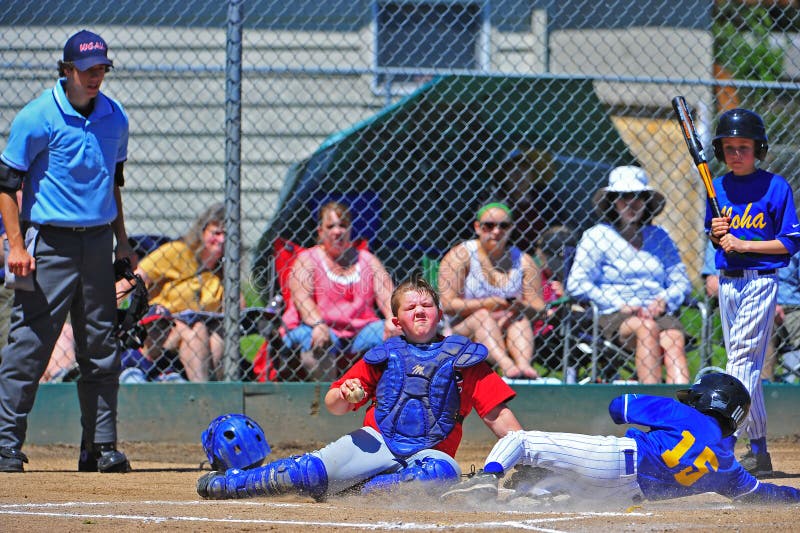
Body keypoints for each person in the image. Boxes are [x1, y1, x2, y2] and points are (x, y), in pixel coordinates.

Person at [196, 276, 523, 500]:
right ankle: (230, 483)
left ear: (439, 314)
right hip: (376, 442)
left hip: (429, 453)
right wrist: (344, 394)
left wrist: (525, 459)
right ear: (396, 321)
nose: (420, 311)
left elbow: (502, 420)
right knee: (310, 471)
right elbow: (333, 404)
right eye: (410, 308)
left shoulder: (464, 359)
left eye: (427, 305)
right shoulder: (383, 356)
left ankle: (357, 490)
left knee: (444, 473)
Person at [0, 30, 134, 473]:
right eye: (87, 69)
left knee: (101, 347)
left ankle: (99, 446)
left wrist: (124, 245)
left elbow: (112, 186)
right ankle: (5, 444)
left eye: (101, 69)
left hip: (97, 242)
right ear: (67, 70)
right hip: (50, 243)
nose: (96, 76)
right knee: (30, 346)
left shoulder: (114, 118)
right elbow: (7, 185)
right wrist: (16, 245)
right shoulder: (37, 116)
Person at [441, 372, 800, 505]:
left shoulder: (684, 414)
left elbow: (619, 406)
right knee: (545, 494)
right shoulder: (728, 465)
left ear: (708, 400)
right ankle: (541, 489)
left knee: (525, 441)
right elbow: (763, 495)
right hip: (626, 494)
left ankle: (486, 479)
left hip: (619, 458)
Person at [706, 108, 800, 476]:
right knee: (745, 367)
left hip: (761, 280)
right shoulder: (718, 187)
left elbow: (790, 243)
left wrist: (744, 245)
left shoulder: (776, 186)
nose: (736, 154)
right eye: (729, 147)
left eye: (744, 147)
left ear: (757, 148)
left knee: (741, 361)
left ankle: (725, 441)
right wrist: (717, 233)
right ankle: (758, 449)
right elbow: (716, 237)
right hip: (728, 282)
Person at [567, 166, 691, 384]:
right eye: (624, 197)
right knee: (646, 329)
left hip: (656, 311)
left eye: (638, 197)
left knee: (673, 338)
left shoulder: (660, 237)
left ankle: (684, 407)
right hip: (613, 313)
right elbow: (577, 284)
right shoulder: (597, 235)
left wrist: (665, 300)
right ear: (613, 201)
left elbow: (680, 281)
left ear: (646, 201)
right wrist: (619, 304)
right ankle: (651, 405)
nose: (631, 203)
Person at [281, 201, 396, 380]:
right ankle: (327, 400)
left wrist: (392, 319)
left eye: (343, 225)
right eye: (331, 226)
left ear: (350, 229)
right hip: (314, 325)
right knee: (318, 340)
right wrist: (318, 324)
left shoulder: (367, 260)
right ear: (320, 232)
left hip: (360, 331)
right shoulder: (307, 259)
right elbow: (302, 299)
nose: (337, 231)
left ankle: (386, 398)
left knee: (396, 333)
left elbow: (388, 296)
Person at [117, 203, 228, 382]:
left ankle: (216, 390)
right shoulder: (178, 252)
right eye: (216, 233)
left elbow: (237, 309)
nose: (222, 240)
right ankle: (204, 394)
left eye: (227, 235)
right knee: (196, 330)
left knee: (217, 334)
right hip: (160, 330)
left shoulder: (224, 271)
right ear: (202, 231)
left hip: (202, 333)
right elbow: (132, 281)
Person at [438, 202, 547, 379]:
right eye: (489, 226)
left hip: (506, 326)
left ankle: (523, 367)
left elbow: (540, 309)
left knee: (518, 317)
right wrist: (488, 303)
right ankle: (507, 366)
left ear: (511, 228)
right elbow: (447, 304)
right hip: (463, 327)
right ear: (477, 227)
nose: (496, 231)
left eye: (503, 226)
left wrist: (520, 305)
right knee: (483, 316)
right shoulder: (461, 255)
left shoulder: (524, 260)